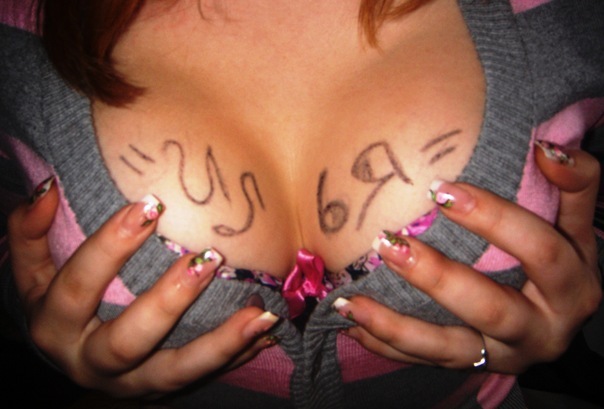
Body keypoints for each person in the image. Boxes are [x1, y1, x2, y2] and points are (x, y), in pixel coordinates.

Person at [1, 0, 603, 407]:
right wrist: (45, 331)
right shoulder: (18, 27)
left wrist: (575, 287)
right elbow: (16, 232)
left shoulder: (560, 16)